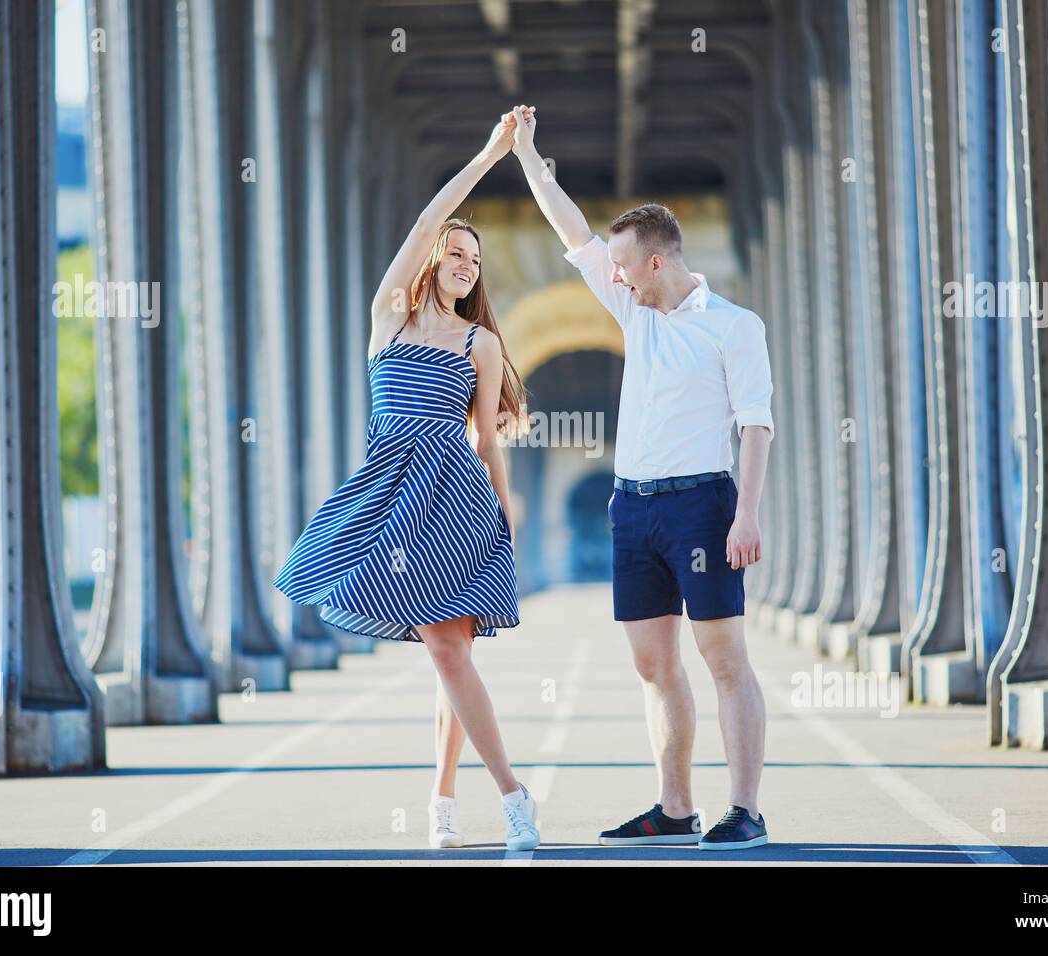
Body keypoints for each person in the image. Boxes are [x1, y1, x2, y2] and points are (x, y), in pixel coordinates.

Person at [273, 112, 540, 852]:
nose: (465, 265)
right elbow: (428, 215)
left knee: (452, 651)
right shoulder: (387, 319)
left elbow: (486, 439)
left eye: (475, 261)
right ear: (430, 261)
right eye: (455, 253)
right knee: (444, 651)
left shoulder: (480, 342)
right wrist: (492, 153)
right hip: (390, 495)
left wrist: (505, 514)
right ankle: (456, 798)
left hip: (455, 501)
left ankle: (497, 799)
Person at [510, 105, 775, 850]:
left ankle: (745, 809)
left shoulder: (734, 327)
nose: (614, 275)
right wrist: (530, 156)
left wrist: (745, 515)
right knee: (653, 664)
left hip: (702, 505)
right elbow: (573, 233)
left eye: (624, 265)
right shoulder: (637, 313)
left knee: (724, 658)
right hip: (633, 511)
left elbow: (756, 425)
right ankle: (675, 805)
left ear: (657, 261)